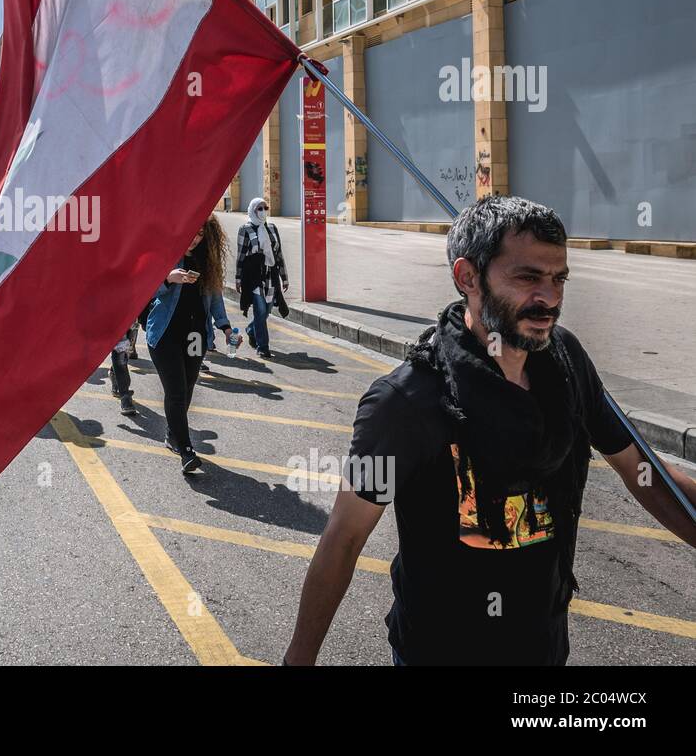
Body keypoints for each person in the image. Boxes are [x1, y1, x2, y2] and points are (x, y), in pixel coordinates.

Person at [283, 195, 696, 667]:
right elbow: (344, 538)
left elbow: (644, 472)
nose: (550, 299)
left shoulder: (567, 364)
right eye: (527, 278)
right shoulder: (407, 402)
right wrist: (299, 659)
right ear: (467, 277)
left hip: (543, 649)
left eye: (558, 278)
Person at [143, 217, 227, 474]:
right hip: (165, 334)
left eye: (200, 234)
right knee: (176, 391)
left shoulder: (207, 261)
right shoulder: (166, 253)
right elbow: (144, 287)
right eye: (192, 232)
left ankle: (172, 433)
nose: (195, 238)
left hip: (195, 337)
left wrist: (224, 325)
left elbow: (214, 296)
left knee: (188, 387)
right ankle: (187, 450)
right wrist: (169, 278)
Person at [236, 198, 287, 360]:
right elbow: (241, 256)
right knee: (260, 310)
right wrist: (238, 278)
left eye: (265, 207)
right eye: (259, 208)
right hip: (254, 276)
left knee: (267, 309)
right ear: (252, 210)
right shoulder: (245, 229)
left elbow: (278, 254)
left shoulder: (272, 228)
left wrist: (284, 277)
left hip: (271, 276)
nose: (263, 211)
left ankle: (251, 330)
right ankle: (263, 347)